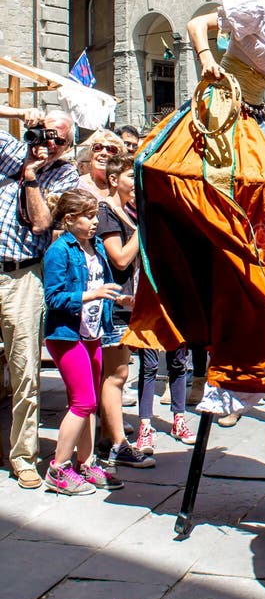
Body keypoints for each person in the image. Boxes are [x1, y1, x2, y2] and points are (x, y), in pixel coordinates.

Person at [123, 0, 265, 429]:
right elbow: (197, 25)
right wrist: (206, 59)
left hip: (256, 114)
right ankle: (216, 367)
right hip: (223, 106)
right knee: (203, 190)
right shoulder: (256, 9)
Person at [0, 105, 79, 489]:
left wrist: (31, 175)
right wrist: (19, 112)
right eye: (45, 132)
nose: (49, 143)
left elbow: (42, 223)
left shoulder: (65, 174)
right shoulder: (12, 149)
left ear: (68, 145)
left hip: (22, 276)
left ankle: (24, 456)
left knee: (24, 370)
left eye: (58, 139)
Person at [42, 189, 124, 494]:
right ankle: (57, 469)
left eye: (95, 216)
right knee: (83, 402)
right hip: (67, 335)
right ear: (69, 219)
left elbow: (100, 284)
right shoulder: (59, 251)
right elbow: (53, 298)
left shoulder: (96, 246)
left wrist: (116, 298)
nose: (95, 222)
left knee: (89, 404)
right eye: (88, 217)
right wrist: (91, 295)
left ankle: (85, 463)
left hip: (92, 333)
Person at [95, 154, 156, 467]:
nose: (136, 183)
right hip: (114, 305)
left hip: (126, 303)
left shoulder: (123, 210)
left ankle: (108, 438)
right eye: (131, 177)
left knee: (115, 373)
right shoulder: (106, 211)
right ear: (113, 179)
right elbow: (119, 258)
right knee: (116, 375)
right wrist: (141, 228)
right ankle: (119, 445)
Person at [77, 129, 126, 200]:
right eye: (98, 147)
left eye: (111, 149)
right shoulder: (76, 184)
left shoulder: (124, 187)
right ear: (91, 155)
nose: (103, 153)